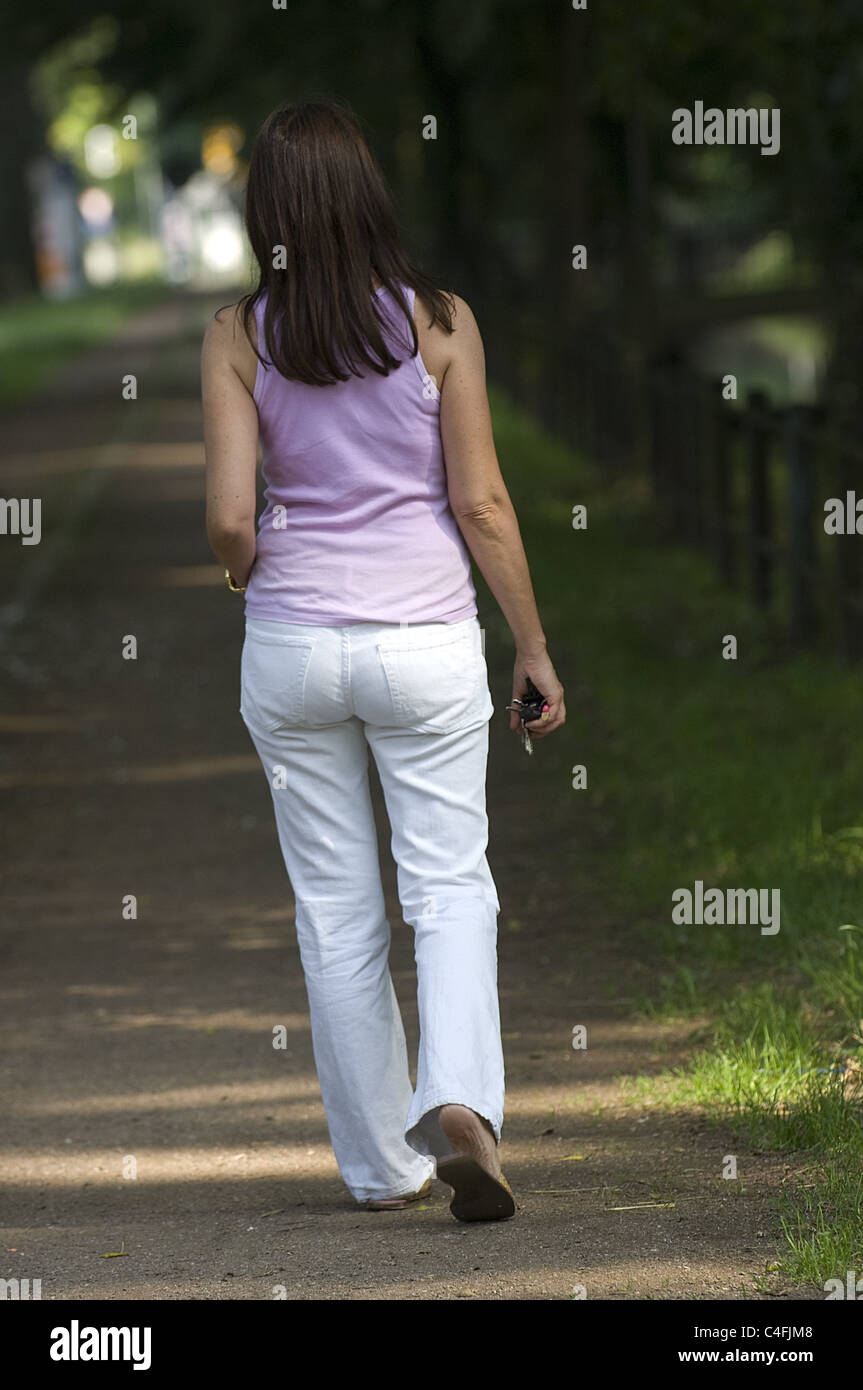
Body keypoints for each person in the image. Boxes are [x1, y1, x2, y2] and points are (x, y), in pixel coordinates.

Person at [201, 99, 565, 1223]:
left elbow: (227, 520)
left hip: (295, 651)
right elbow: (481, 502)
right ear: (366, 194)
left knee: (334, 909)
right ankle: (460, 1103)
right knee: (448, 883)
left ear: (266, 211)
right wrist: (533, 646)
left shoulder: (237, 335)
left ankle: (379, 1168)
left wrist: (244, 573)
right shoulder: (437, 322)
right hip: (425, 647)